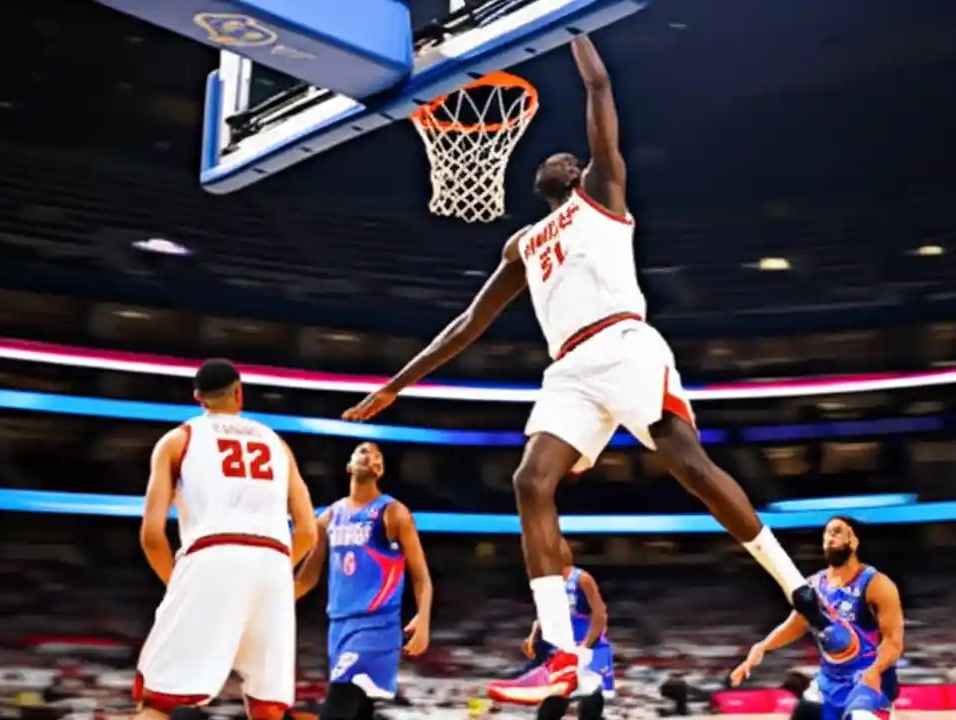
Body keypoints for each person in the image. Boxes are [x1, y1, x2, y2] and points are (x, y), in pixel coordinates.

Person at [342, 34, 818, 702]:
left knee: (691, 469)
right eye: (556, 156)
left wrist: (572, 25)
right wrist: (396, 383)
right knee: (529, 482)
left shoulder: (604, 193)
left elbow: (598, 89)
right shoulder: (523, 242)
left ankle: (795, 585)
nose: (560, 155)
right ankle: (561, 656)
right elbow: (468, 324)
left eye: (567, 153)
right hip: (568, 369)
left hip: (623, 343)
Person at [132, 359, 318, 720]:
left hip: (212, 556)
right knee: (268, 707)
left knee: (160, 702)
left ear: (198, 397)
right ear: (239, 392)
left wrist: (179, 585)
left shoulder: (178, 440)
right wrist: (278, 572)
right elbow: (308, 531)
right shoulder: (277, 443)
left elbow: (152, 536)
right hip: (276, 563)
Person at [295, 442, 434, 720]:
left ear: (381, 471)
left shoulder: (393, 513)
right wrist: (265, 604)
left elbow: (422, 577)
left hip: (376, 627)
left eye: (379, 456)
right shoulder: (330, 517)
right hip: (339, 626)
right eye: (364, 452)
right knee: (358, 710)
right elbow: (306, 579)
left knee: (339, 703)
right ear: (348, 466)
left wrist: (423, 620)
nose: (373, 457)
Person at [729, 517, 904, 720]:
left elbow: (894, 643)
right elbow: (796, 624)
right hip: (829, 681)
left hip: (868, 679)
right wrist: (762, 647)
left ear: (854, 541)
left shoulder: (877, 584)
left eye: (837, 532)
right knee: (804, 713)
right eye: (826, 534)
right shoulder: (814, 584)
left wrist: (874, 672)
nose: (830, 537)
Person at [489, 543, 610, 719]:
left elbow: (599, 615)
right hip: (561, 649)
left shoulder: (582, 579)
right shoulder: (548, 584)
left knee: (590, 701)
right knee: (555, 701)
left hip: (585, 647)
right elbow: (543, 613)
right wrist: (532, 636)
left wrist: (587, 645)